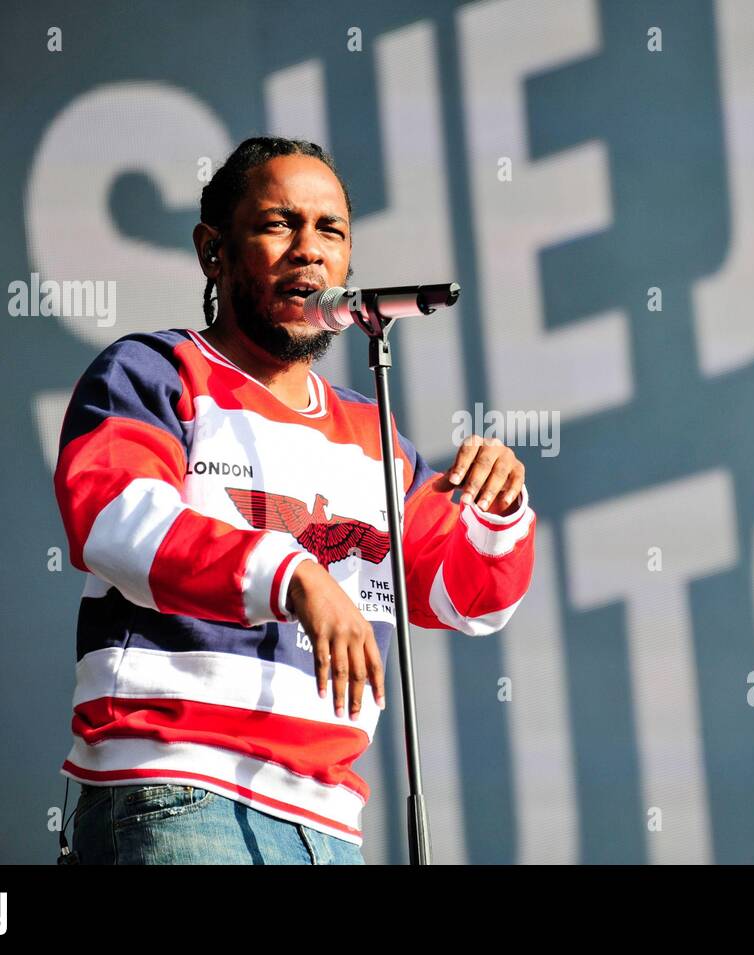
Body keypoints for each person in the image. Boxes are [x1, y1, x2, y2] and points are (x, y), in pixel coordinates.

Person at [53, 137, 536, 864]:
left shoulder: (374, 432)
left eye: (331, 231)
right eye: (279, 224)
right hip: (180, 787)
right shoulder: (153, 371)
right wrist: (293, 575)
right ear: (213, 251)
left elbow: (464, 598)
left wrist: (498, 507)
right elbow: (117, 520)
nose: (309, 251)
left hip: (330, 821)